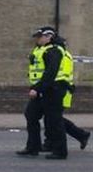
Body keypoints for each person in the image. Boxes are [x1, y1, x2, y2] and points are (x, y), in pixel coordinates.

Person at [17, 27, 75, 159]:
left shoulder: (54, 50)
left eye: (40, 36)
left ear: (49, 37)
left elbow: (50, 73)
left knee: (54, 120)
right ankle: (33, 147)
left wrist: (37, 89)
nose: (37, 39)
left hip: (54, 89)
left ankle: (60, 151)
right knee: (31, 115)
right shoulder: (40, 49)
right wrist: (36, 87)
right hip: (43, 88)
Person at [42, 34, 91, 152]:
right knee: (53, 118)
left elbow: (59, 74)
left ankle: (79, 135)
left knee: (55, 118)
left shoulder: (61, 55)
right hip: (60, 89)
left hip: (60, 90)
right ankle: (79, 135)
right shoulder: (64, 55)